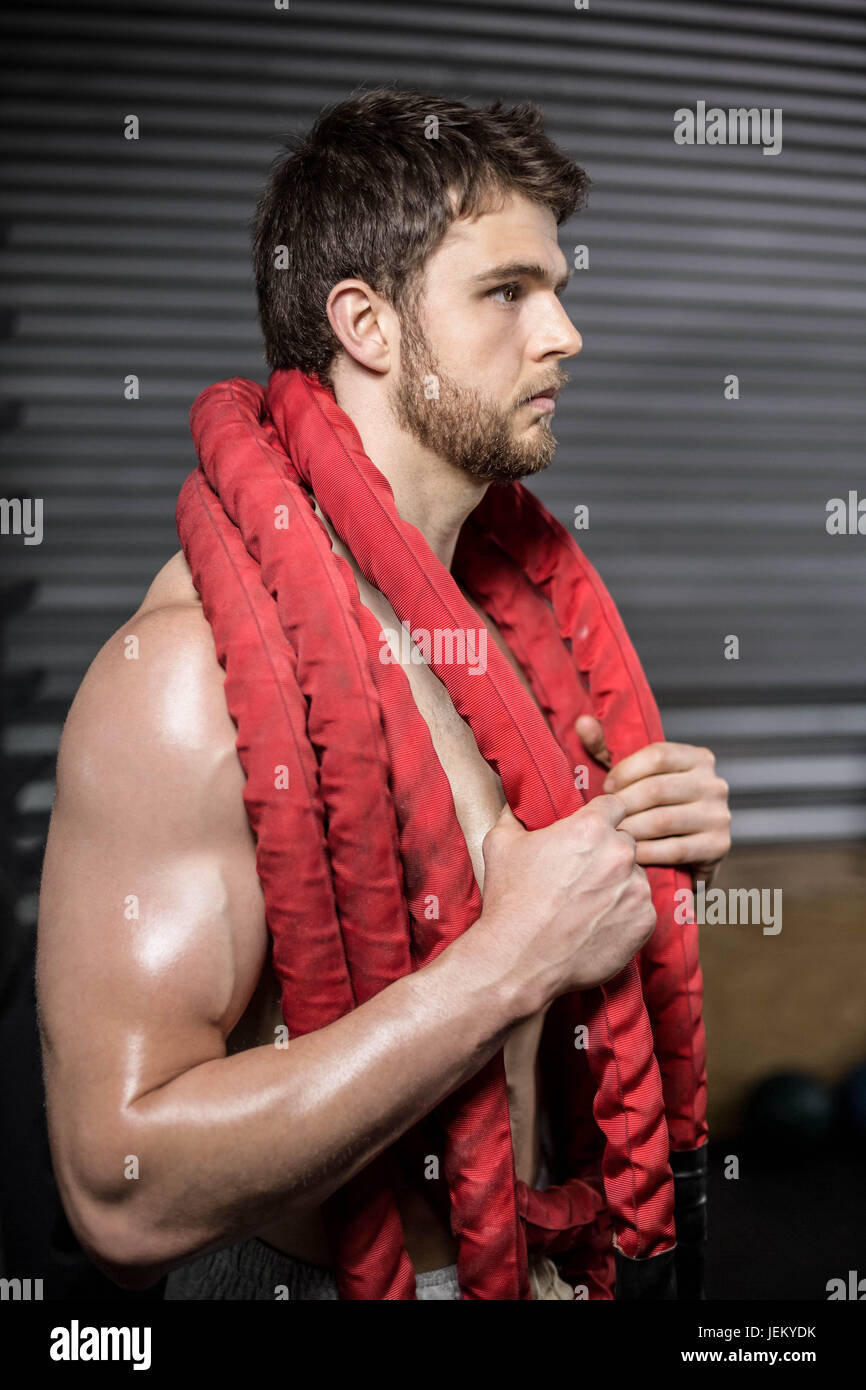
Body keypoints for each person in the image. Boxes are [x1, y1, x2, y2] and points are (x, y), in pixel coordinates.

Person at [35, 87, 731, 1301]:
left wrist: (643, 847)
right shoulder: (184, 685)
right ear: (365, 321)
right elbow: (117, 1183)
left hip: (541, 1259)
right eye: (508, 291)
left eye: (557, 288)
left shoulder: (504, 636)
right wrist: (515, 957)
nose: (563, 332)